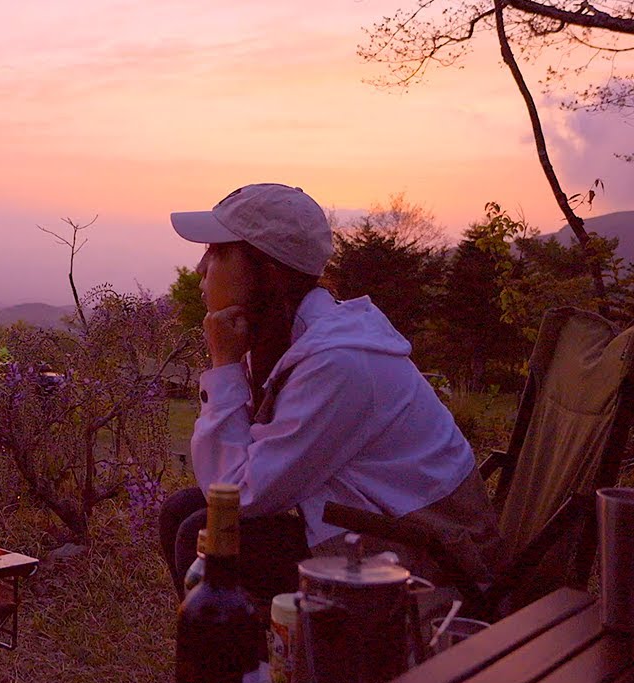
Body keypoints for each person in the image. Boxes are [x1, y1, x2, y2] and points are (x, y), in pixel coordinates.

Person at [158, 183, 503, 604]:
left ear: (268, 271)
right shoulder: (298, 339)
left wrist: (224, 366)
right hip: (379, 530)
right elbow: (231, 488)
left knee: (207, 536)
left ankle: (238, 659)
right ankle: (239, 654)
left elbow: (235, 494)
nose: (200, 267)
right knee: (186, 514)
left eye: (218, 251)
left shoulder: (337, 363)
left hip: (426, 560)